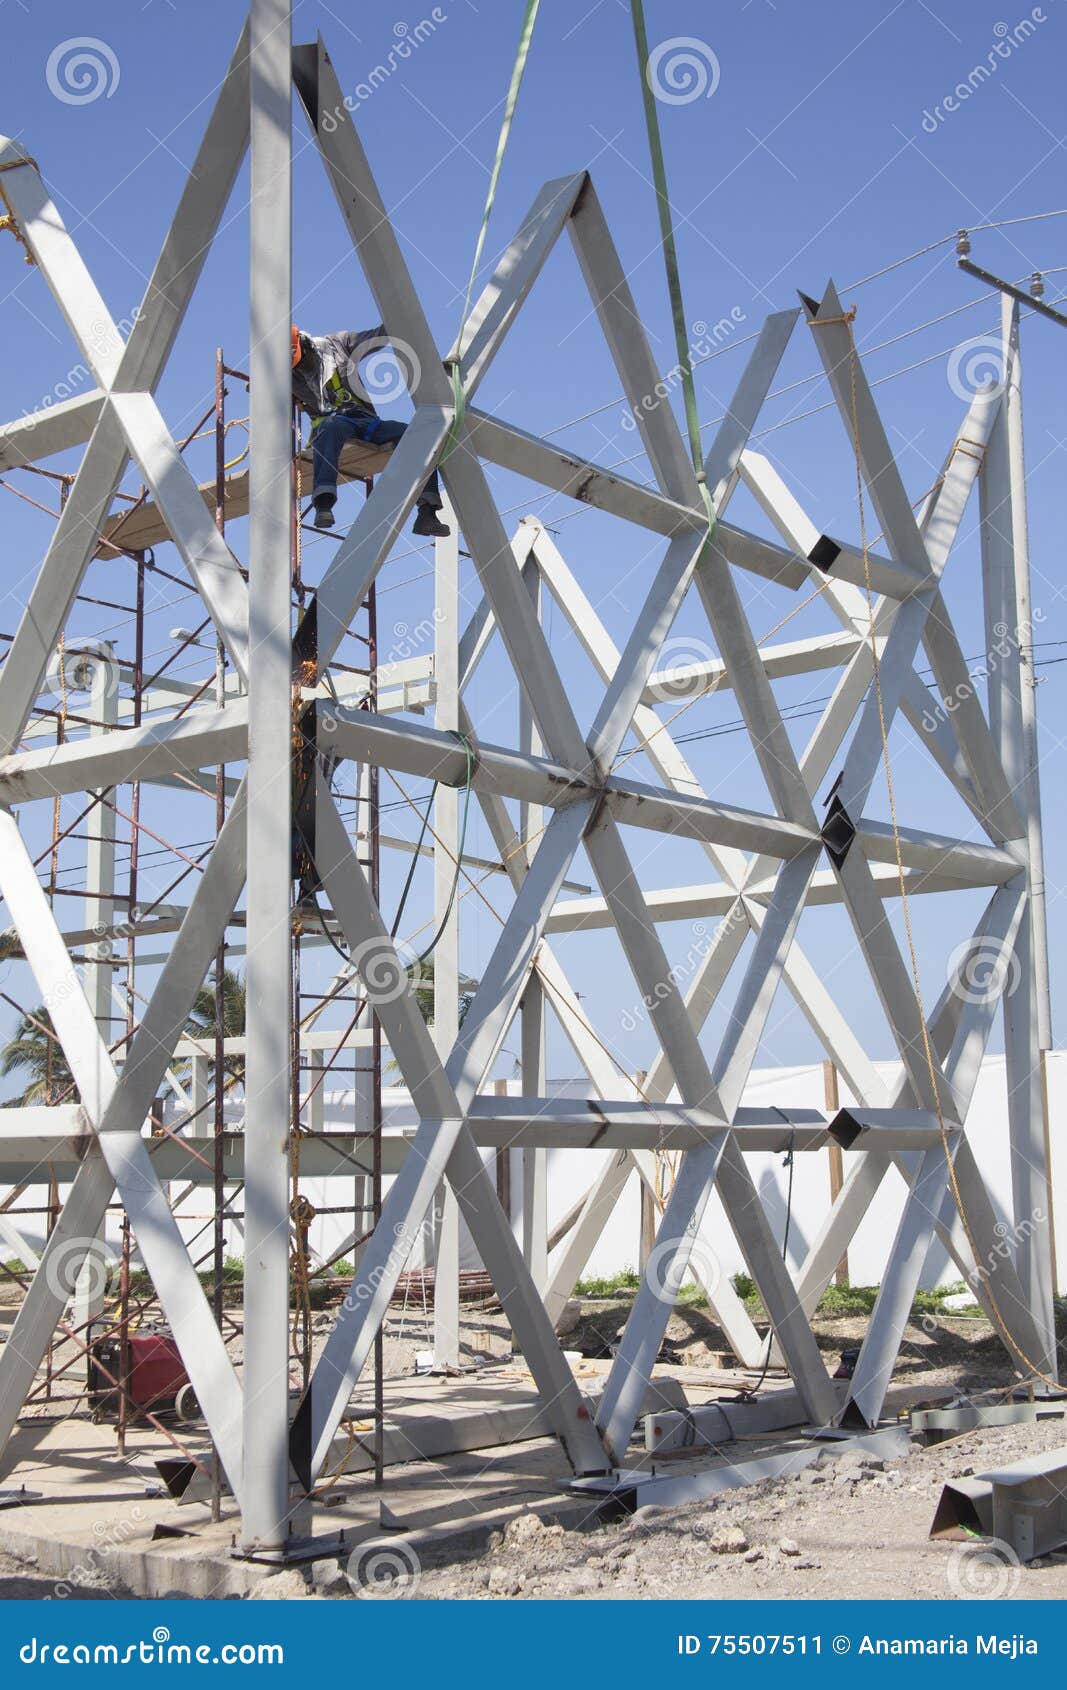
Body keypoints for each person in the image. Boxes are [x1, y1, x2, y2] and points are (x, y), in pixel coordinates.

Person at [291, 324, 449, 537]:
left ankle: (427, 513)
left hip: (365, 420)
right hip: (334, 425)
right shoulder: (289, 377)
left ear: (305, 345)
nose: (301, 368)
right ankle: (324, 504)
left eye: (301, 361)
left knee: (417, 434)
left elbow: (379, 336)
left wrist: (397, 314)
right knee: (330, 427)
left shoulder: (338, 344)